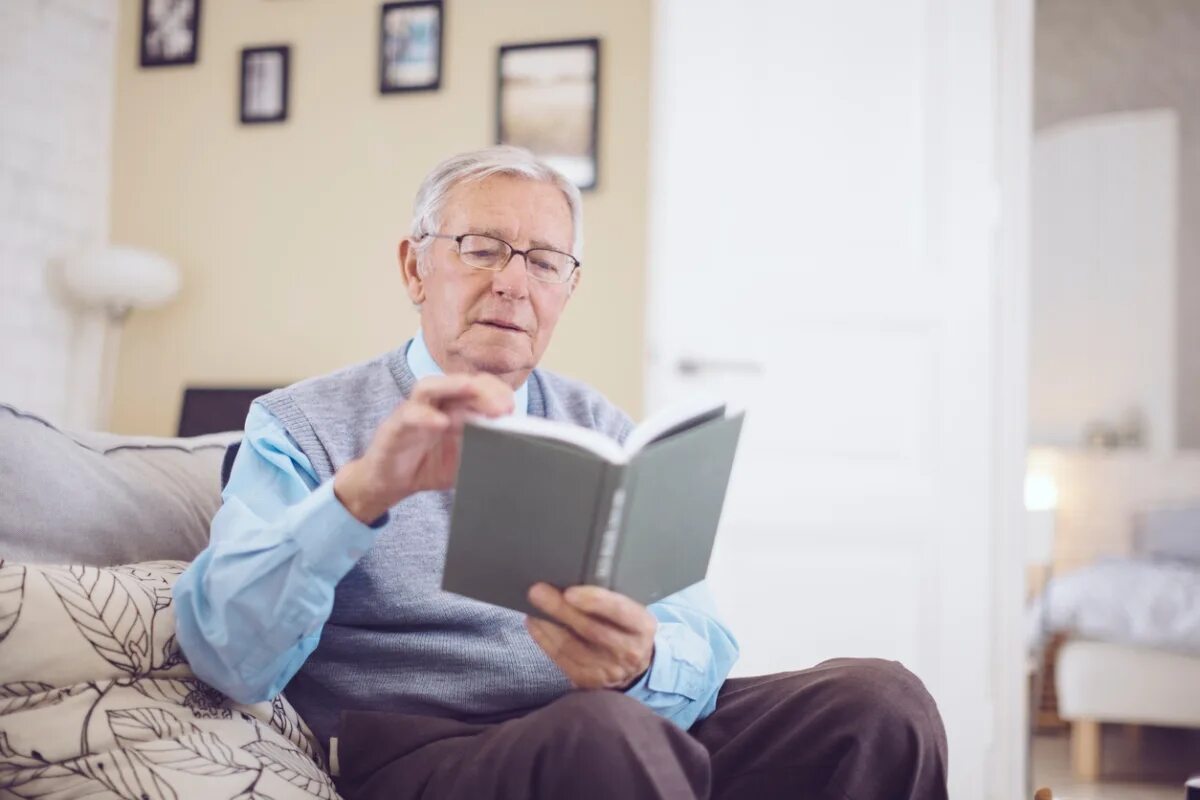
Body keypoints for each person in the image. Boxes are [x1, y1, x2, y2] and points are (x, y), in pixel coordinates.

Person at [174, 145, 949, 799]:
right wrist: (362, 492)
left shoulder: (597, 425)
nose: (513, 283)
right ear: (414, 267)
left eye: (545, 262)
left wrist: (643, 666)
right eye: (481, 248)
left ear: (566, 290)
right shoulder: (300, 425)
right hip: (431, 749)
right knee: (602, 736)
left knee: (881, 704)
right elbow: (227, 654)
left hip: (619, 727)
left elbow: (699, 632)